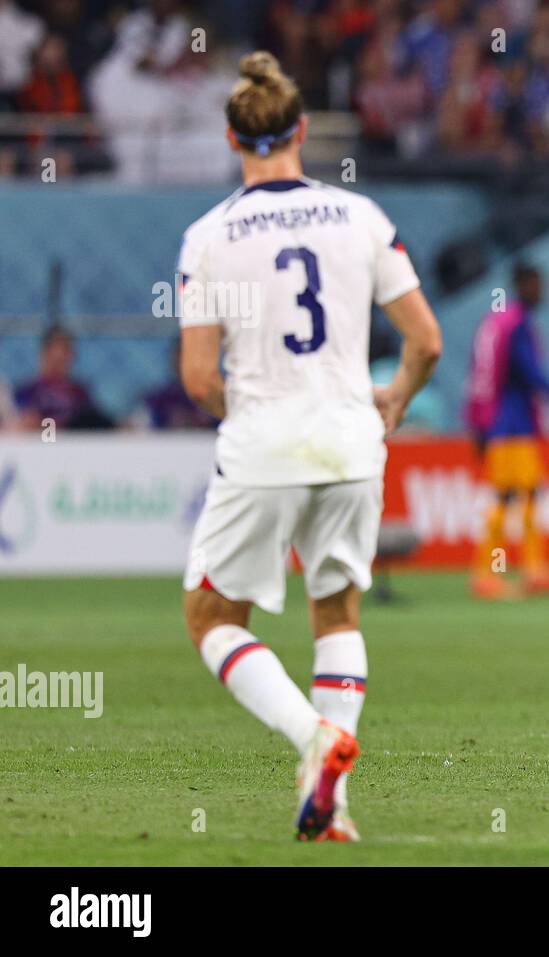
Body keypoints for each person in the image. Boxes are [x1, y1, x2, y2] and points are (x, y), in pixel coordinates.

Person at [177, 52, 442, 842]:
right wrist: (393, 397)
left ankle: (312, 740)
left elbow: (197, 378)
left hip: (263, 442)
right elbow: (424, 340)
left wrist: (252, 411)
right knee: (338, 609)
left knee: (211, 614)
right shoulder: (359, 217)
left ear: (234, 138)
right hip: (352, 439)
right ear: (300, 130)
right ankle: (337, 808)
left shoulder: (211, 236)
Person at [464, 262, 549, 600]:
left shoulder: (497, 323)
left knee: (529, 493)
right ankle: (486, 573)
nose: (543, 292)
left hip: (506, 424)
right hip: (509, 425)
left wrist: (477, 421)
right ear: (525, 285)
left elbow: (479, 376)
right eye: (538, 285)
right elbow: (534, 375)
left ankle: (534, 570)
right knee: (506, 496)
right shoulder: (516, 325)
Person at [14, 326, 110, 430]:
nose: (59, 363)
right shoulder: (28, 392)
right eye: (54, 358)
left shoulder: (79, 393)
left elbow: (96, 423)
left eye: (64, 356)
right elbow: (22, 422)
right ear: (44, 354)